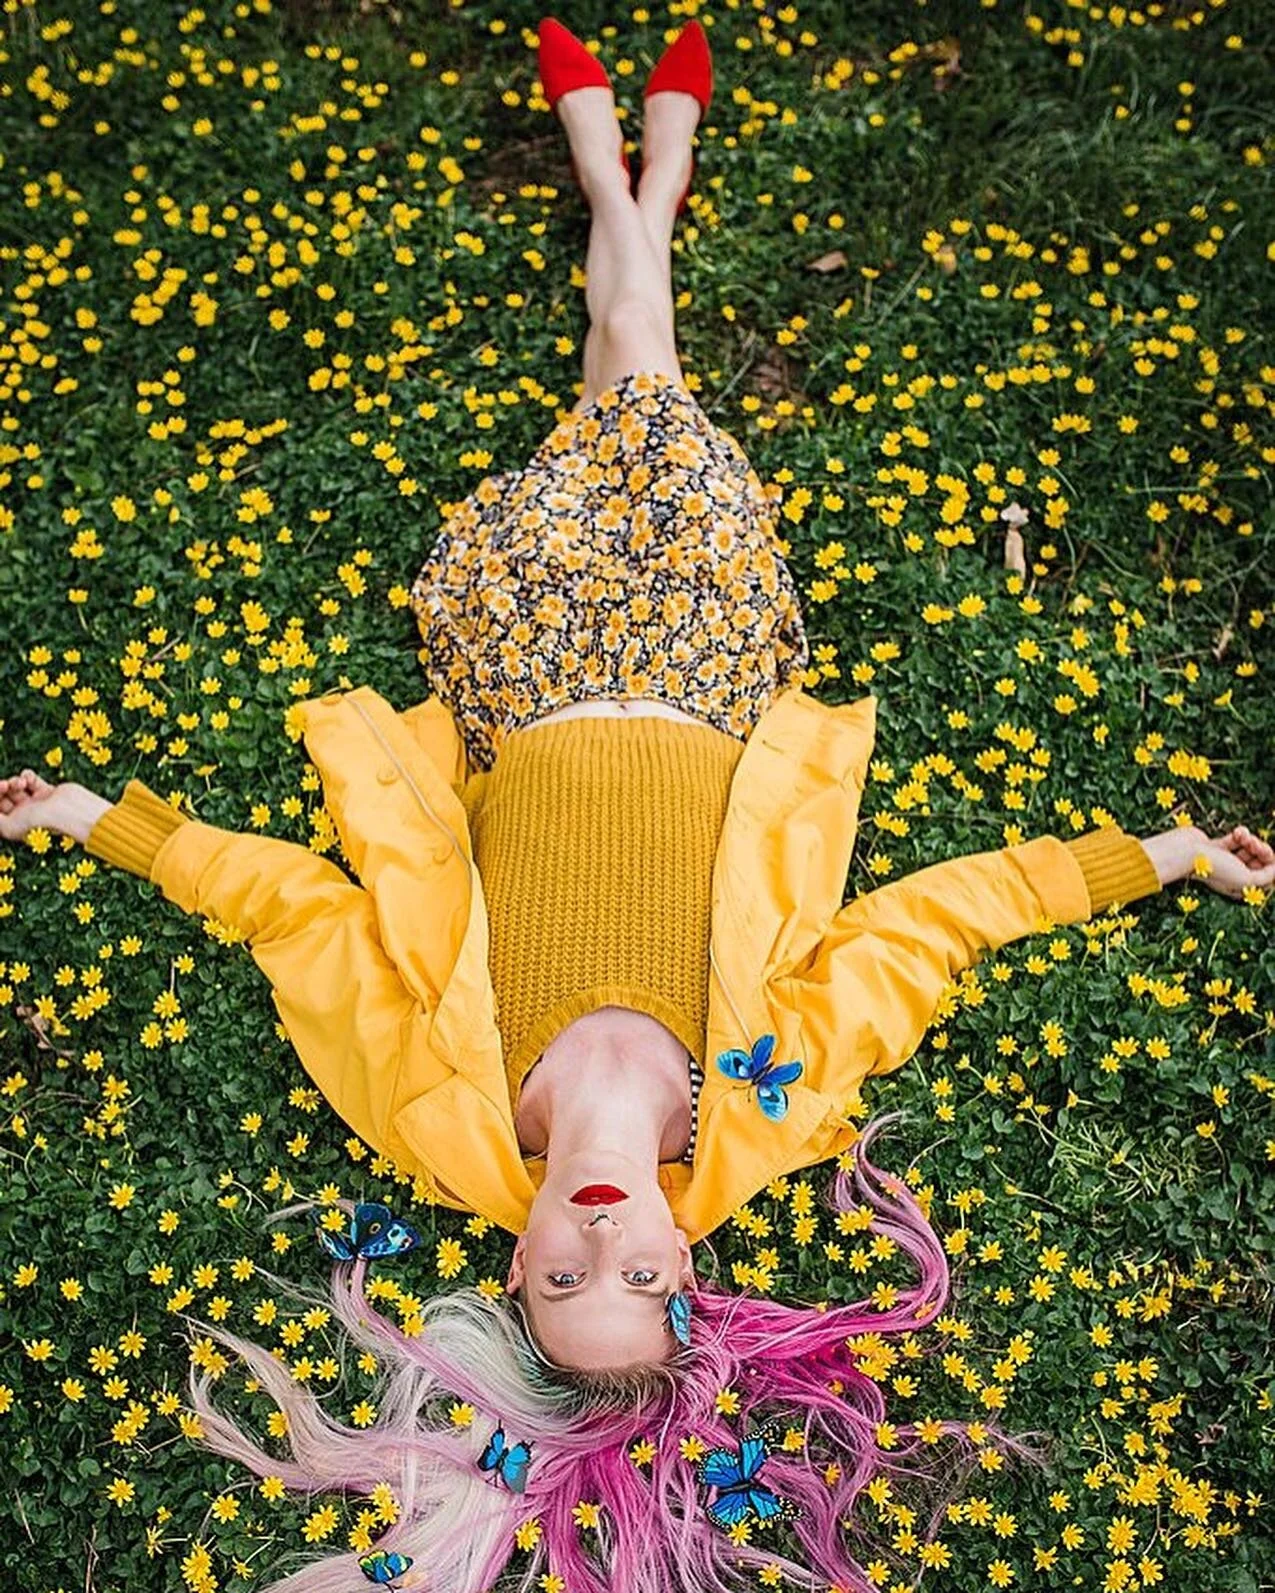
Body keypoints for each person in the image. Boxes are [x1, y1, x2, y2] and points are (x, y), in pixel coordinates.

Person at [4, 18, 1272, 1593]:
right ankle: (630, 175)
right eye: (639, 1269)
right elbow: (933, 922)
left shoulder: (432, 1109)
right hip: (700, 655)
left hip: (521, 672)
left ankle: (634, 176)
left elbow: (296, 914)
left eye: (559, 1273)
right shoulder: (769, 1104)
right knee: (642, 372)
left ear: (512, 1273)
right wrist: (1152, 857)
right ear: (693, 1266)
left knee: (626, 375)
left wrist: (88, 817)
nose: (600, 1234)